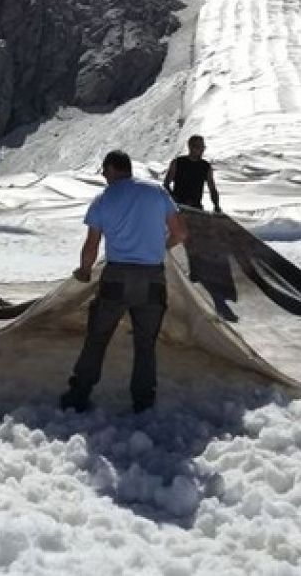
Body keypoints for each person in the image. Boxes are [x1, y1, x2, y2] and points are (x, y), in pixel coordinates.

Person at [61, 150, 188, 414]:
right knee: (145, 343)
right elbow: (181, 233)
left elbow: (92, 244)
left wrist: (84, 271)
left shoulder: (102, 200)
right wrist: (159, 248)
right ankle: (143, 400)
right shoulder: (157, 192)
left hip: (116, 278)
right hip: (152, 278)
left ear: (113, 168)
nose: (104, 177)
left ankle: (79, 393)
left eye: (105, 172)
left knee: (97, 337)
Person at [163, 135, 221, 212]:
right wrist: (173, 199)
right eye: (199, 147)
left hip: (196, 208)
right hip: (178, 207)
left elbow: (212, 188)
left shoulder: (206, 166)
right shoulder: (178, 162)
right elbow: (166, 184)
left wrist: (216, 205)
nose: (202, 150)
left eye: (203, 147)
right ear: (191, 147)